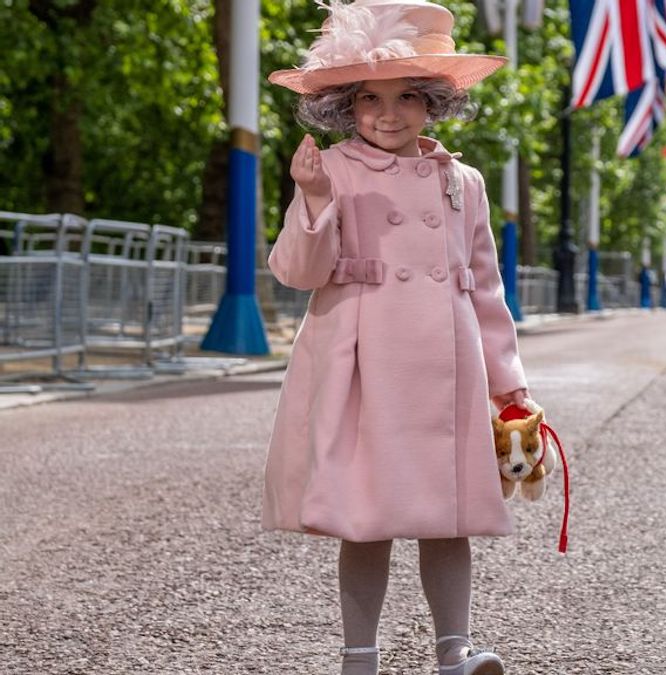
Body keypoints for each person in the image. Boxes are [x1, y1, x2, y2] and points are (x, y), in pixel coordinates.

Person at [260, 2, 525, 674]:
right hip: (363, 367)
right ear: (345, 105)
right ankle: (359, 657)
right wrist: (313, 199)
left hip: (448, 365)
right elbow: (297, 272)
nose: (388, 113)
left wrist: (510, 385)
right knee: (366, 518)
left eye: (408, 95)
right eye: (370, 98)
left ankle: (454, 650)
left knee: (449, 517)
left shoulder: (463, 181)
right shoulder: (333, 170)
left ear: (434, 102)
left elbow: (486, 290)